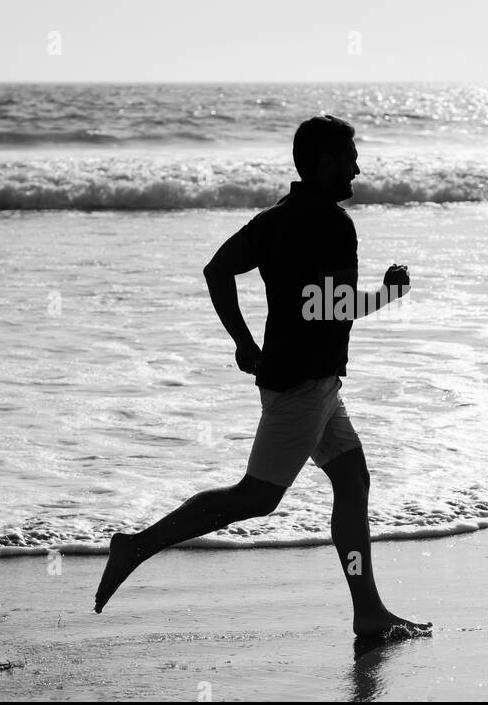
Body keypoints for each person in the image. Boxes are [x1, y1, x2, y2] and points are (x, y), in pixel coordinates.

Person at [94, 115, 432, 641]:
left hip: (306, 381)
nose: (357, 168)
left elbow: (217, 270)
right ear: (323, 164)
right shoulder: (334, 224)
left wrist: (243, 342)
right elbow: (332, 308)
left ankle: (368, 611)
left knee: (352, 480)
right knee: (255, 497)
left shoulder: (275, 219)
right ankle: (135, 546)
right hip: (303, 384)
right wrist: (390, 293)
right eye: (348, 157)